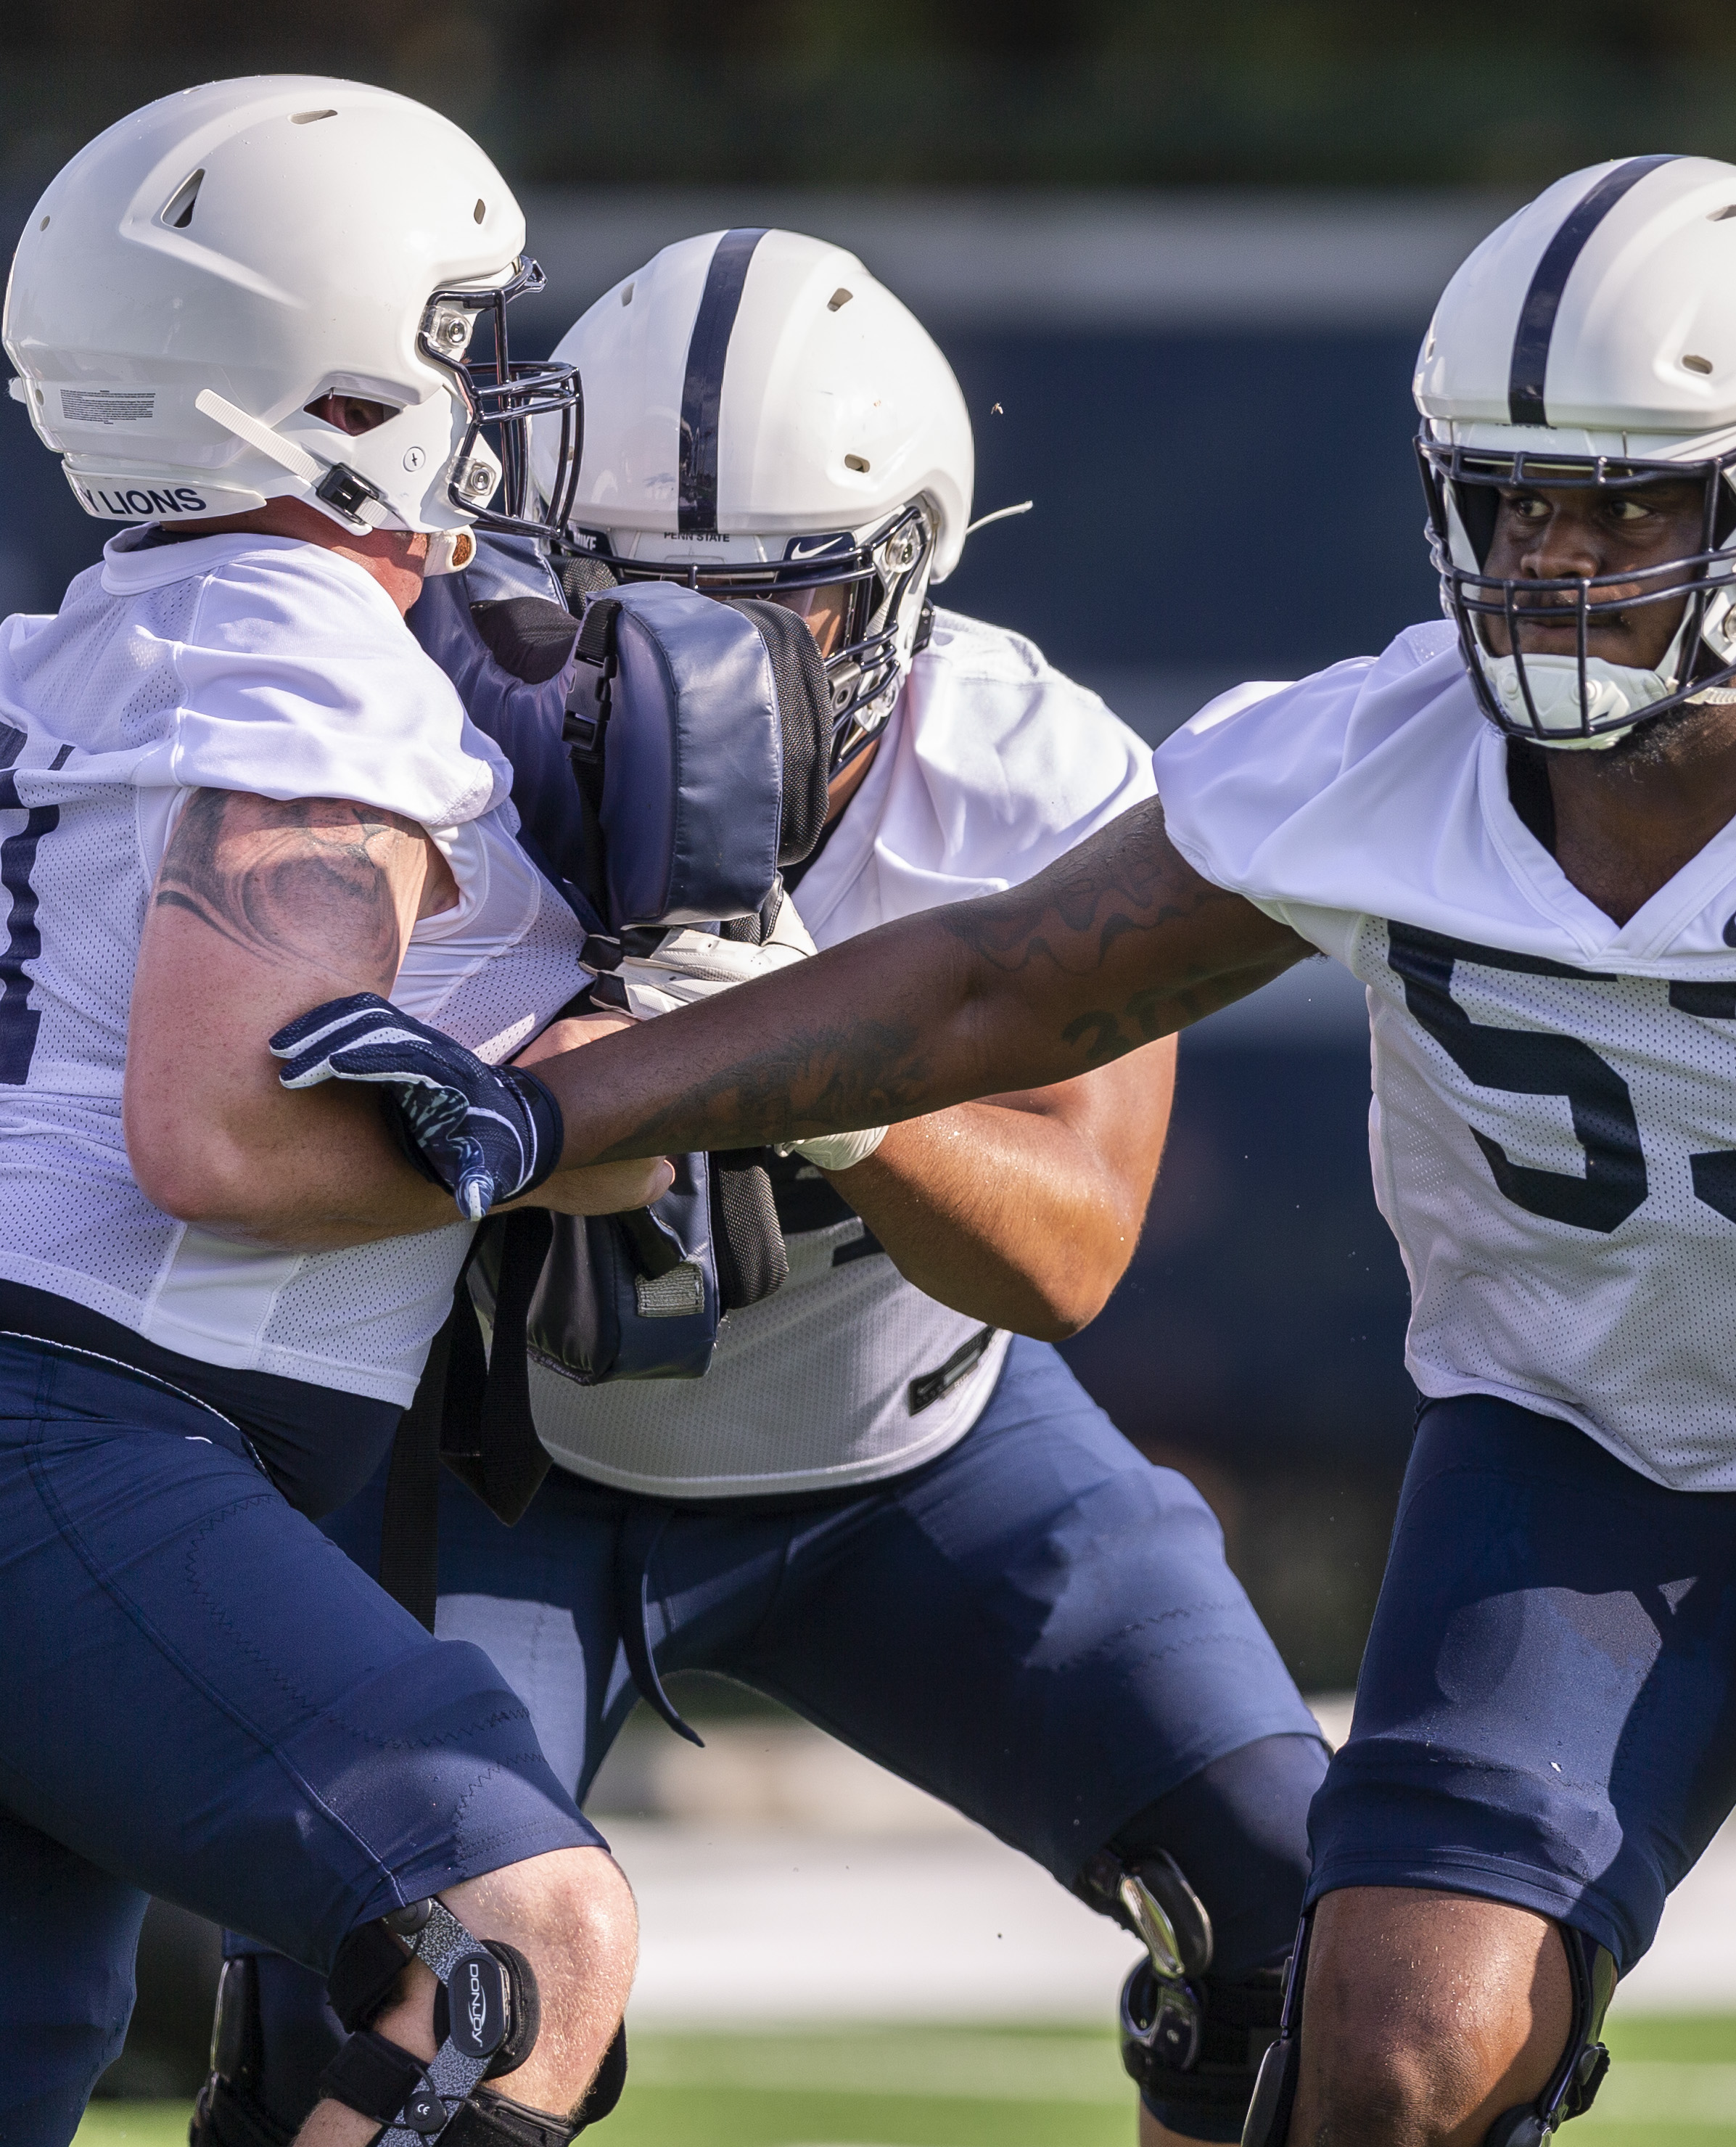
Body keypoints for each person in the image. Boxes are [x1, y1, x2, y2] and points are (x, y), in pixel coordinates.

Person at [284, 154, 1736, 2147]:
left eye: (1629, 504)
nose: (1550, 559)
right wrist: (553, 1101)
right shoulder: (1368, 766)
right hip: (1578, 1459)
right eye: (1513, 496)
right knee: (1391, 2060)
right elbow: (989, 989)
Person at [195, 232, 1331, 2147]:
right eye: (622, 589)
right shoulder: (411, 731)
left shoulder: (1032, 772)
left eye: (756, 604)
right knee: (406, 2007)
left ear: (895, 582)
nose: (670, 659)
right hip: (499, 1462)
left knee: (1306, 1935)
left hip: (919, 1460)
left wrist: (833, 1089)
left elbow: (1069, 1249)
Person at [0, 75, 672, 2147]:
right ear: (333, 386)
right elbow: (216, 1136)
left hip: (76, 1428)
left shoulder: (75, 651)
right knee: (514, 1949)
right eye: (458, 338)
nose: (490, 388)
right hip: (85, 1433)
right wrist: (588, 1121)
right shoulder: (302, 656)